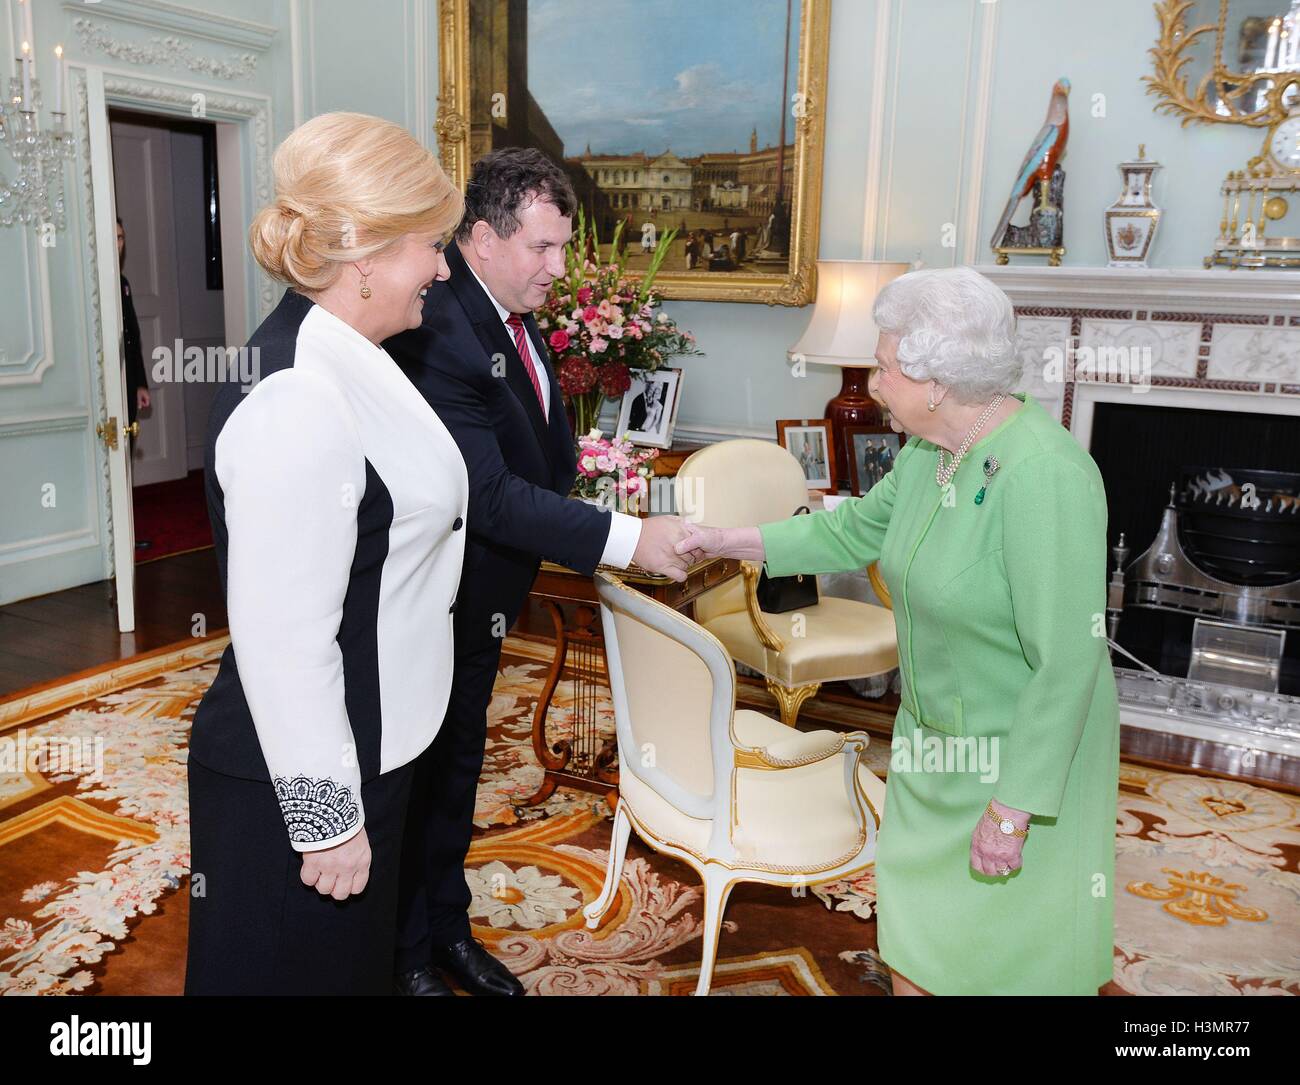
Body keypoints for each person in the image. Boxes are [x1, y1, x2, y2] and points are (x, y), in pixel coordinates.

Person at [678, 266, 1119, 996]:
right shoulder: (928, 452)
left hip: (1021, 756)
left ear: (936, 379)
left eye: (884, 366)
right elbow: (854, 529)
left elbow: (1069, 659)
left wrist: (1012, 811)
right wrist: (727, 539)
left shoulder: (1046, 476)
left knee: (1008, 954)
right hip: (933, 736)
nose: (875, 382)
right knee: (917, 927)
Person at [384, 147, 693, 997]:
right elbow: (487, 494)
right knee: (420, 785)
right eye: (543, 249)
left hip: (484, 604)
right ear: (482, 238)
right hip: (432, 606)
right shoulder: (441, 328)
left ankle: (446, 929)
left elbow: (544, 457)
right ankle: (408, 952)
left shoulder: (512, 318)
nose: (558, 270)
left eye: (563, 249)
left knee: (455, 776)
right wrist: (630, 535)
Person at [185, 112, 466, 995]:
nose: (444, 267)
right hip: (298, 782)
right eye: (432, 244)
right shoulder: (300, 395)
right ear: (367, 256)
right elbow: (281, 637)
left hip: (368, 743)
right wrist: (326, 817)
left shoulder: (357, 354)